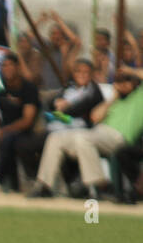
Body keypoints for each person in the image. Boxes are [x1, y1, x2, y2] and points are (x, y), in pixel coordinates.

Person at [28, 69, 143, 201]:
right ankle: (44, 186)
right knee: (55, 137)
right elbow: (95, 117)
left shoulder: (140, 96)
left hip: (119, 137)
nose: (123, 84)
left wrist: (128, 71)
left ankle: (101, 186)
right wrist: (114, 97)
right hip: (98, 133)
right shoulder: (116, 100)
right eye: (120, 81)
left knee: (82, 139)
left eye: (127, 81)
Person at [0, 50, 42, 192]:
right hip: (4, 130)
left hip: (26, 131)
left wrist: (3, 131)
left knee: (9, 139)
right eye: (4, 66)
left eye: (10, 65)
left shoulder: (29, 88)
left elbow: (27, 120)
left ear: (17, 67)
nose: (7, 69)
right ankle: (11, 185)